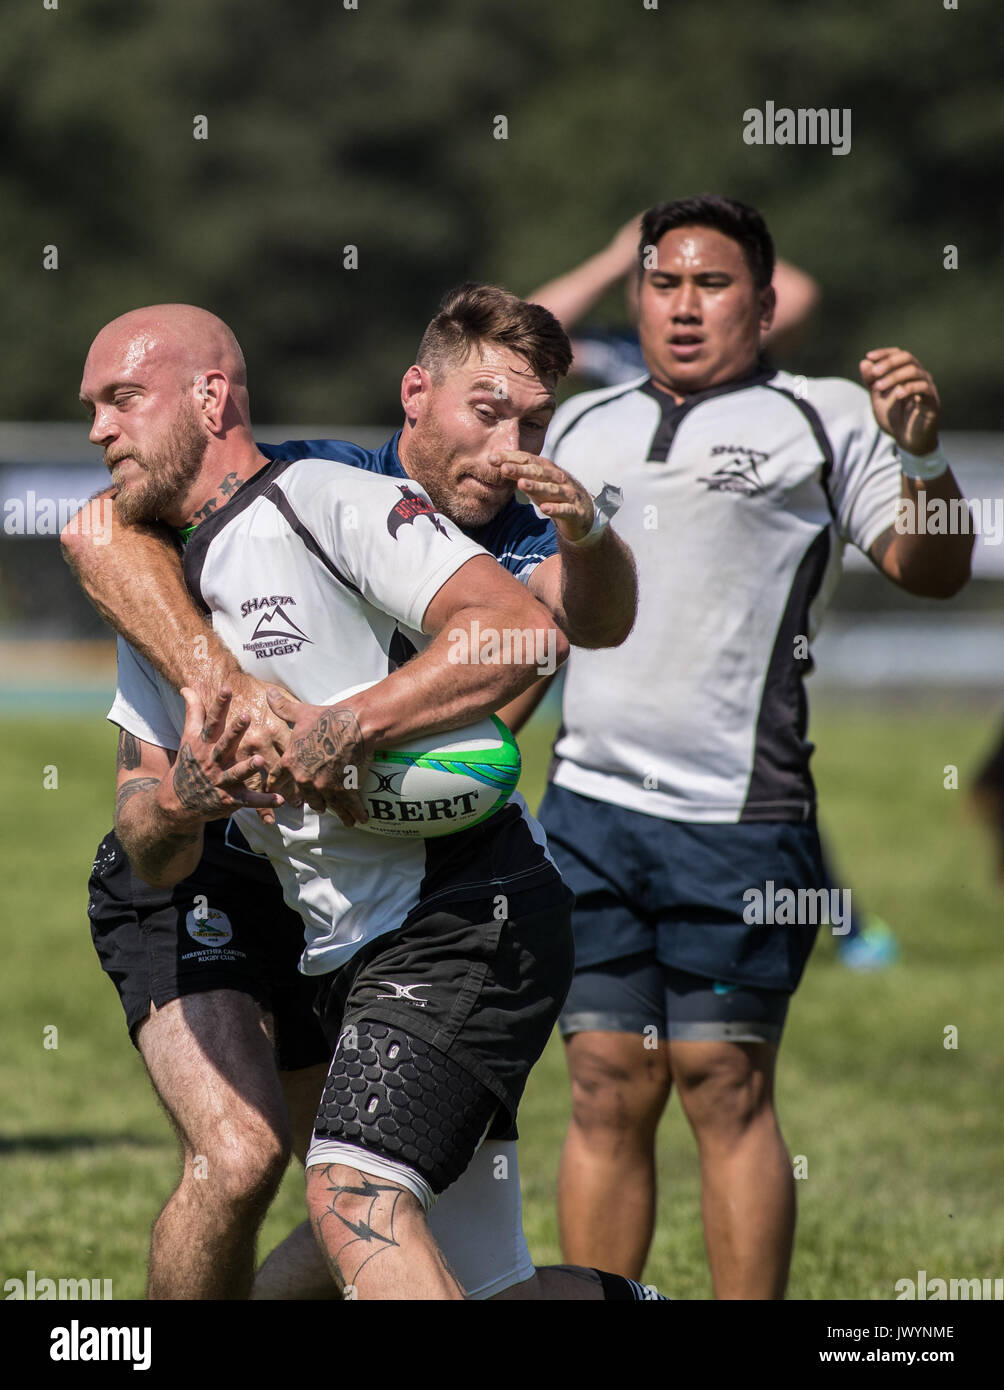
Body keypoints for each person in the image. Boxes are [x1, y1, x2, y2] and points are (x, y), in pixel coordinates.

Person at [66, 292, 651, 1300]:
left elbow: (532, 630)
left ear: (208, 397)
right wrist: (195, 788)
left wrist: (347, 727)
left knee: (349, 1189)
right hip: (315, 914)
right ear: (417, 395)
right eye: (487, 409)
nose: (97, 428)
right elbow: (93, 540)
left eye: (120, 400)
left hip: (454, 909)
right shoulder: (181, 569)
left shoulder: (332, 500)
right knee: (470, 1271)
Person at [524, 195, 973, 1298]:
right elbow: (537, 607)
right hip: (583, 807)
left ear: (766, 304)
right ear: (635, 296)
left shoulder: (825, 417)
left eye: (712, 284)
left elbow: (936, 569)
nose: (683, 306)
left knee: (720, 1079)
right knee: (601, 1082)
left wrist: (921, 460)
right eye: (662, 282)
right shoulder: (583, 424)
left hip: (739, 818)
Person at [529, 212, 821, 387]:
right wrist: (615, 259)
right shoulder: (617, 352)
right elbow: (528, 331)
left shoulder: (730, 345)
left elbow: (798, 298)